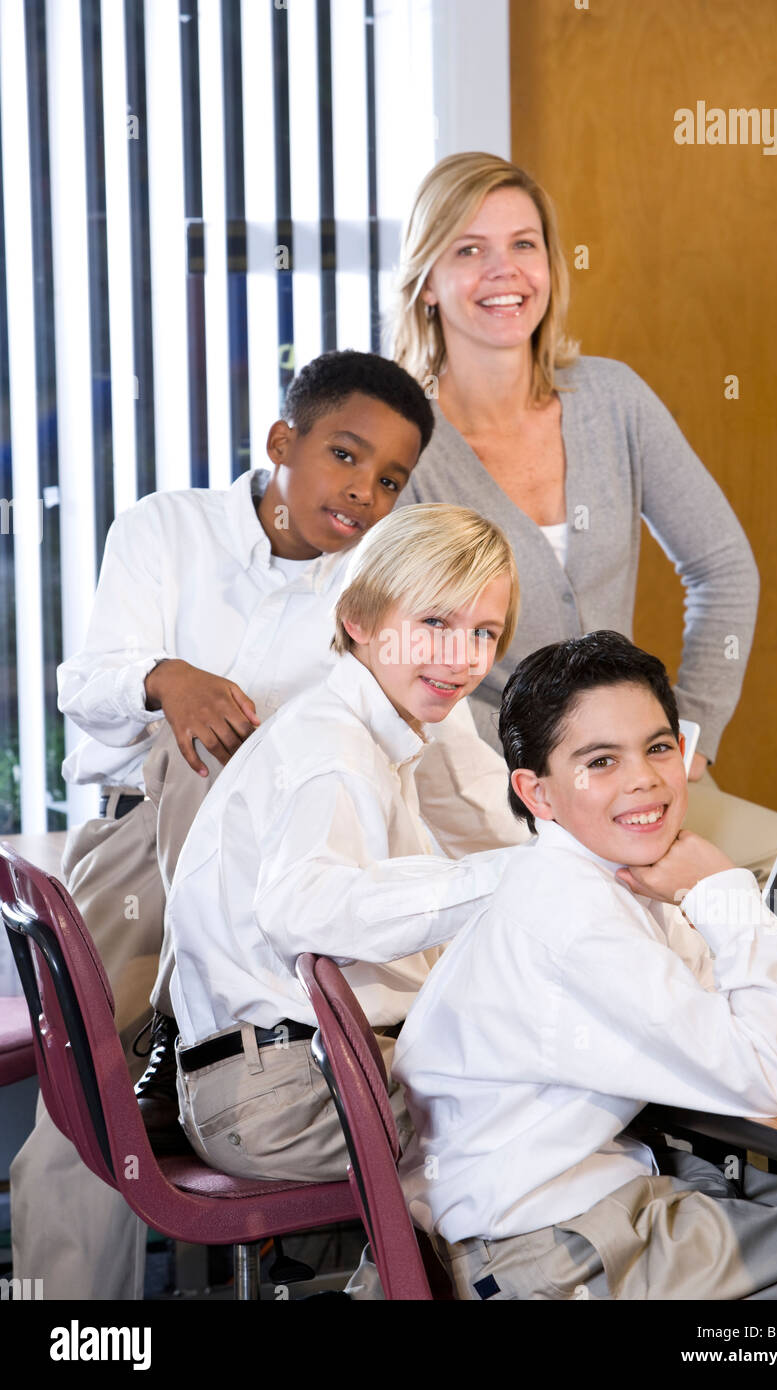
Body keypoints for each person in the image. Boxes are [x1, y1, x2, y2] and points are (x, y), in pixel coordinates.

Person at [10, 352, 525, 1301]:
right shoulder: (169, 528)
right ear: (281, 443)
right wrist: (168, 679)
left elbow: (453, 760)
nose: (363, 492)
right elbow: (80, 687)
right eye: (343, 456)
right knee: (87, 1117)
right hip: (138, 850)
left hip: (257, 889)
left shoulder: (370, 590)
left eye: (390, 481)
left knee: (349, 1057)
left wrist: (561, 856)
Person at [392, 632, 777, 1300]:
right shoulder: (575, 921)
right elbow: (771, 1078)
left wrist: (691, 899)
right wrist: (723, 891)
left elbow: (691, 994)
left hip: (576, 1198)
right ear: (538, 792)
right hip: (552, 1255)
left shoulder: (575, 874)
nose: (643, 777)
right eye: (601, 761)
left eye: (659, 748)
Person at [390, 151, 777, 879]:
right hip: (487, 798)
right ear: (427, 283)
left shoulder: (612, 398)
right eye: (469, 250)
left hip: (633, 781)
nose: (504, 270)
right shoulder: (405, 444)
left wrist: (685, 734)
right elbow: (404, 660)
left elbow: (723, 567)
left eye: (523, 245)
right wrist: (533, 786)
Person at [168, 503, 521, 1187]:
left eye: (484, 631)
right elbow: (303, 908)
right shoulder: (334, 752)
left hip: (270, 1079)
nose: (464, 657)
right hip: (282, 1097)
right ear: (358, 620)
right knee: (569, 1108)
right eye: (435, 623)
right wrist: (509, 880)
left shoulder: (356, 732)